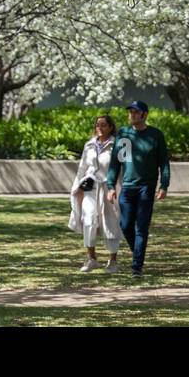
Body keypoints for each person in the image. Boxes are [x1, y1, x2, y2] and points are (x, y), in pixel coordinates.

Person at [105, 100, 170, 277]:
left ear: (144, 115)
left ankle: (137, 267)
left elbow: (164, 162)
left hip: (146, 188)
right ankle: (138, 253)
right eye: (130, 112)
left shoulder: (155, 135)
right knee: (125, 225)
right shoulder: (123, 134)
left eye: (136, 112)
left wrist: (164, 185)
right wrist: (110, 185)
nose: (132, 115)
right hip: (127, 187)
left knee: (141, 227)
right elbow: (115, 162)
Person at [68, 114, 123, 272]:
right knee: (89, 219)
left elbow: (123, 168)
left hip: (110, 189)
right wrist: (76, 186)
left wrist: (120, 188)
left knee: (110, 222)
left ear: (111, 127)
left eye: (104, 125)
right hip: (90, 188)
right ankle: (91, 258)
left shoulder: (117, 145)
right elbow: (82, 168)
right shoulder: (89, 145)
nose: (100, 128)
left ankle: (113, 260)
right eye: (97, 125)